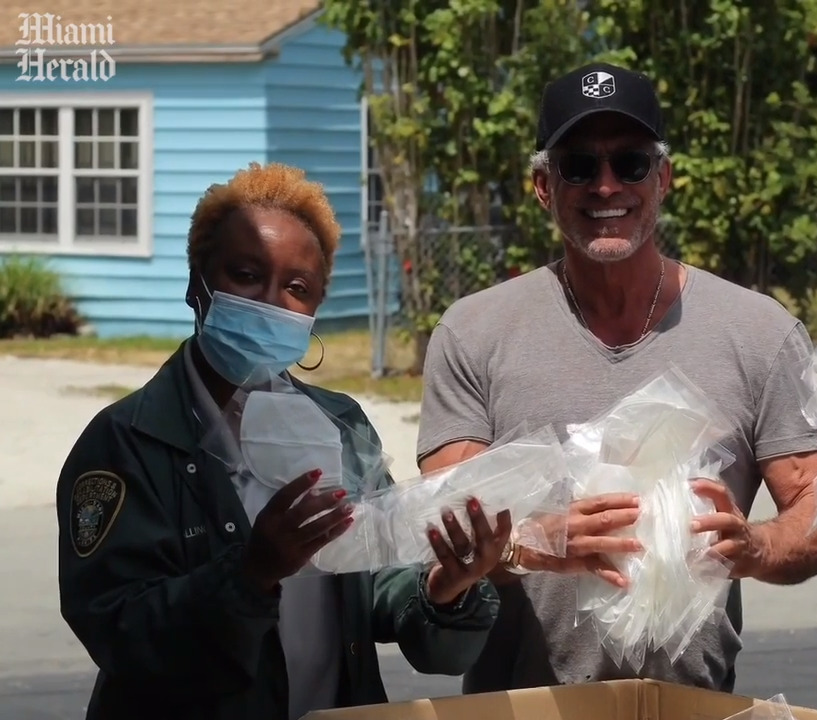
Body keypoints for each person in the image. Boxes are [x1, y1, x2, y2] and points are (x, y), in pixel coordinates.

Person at [415, 62, 817, 693]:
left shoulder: (758, 332)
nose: (606, 186)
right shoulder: (475, 332)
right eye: (579, 166)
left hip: (690, 706)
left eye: (631, 163)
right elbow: (446, 522)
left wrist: (758, 547)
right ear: (542, 185)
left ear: (662, 178)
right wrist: (537, 540)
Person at [56, 162, 508, 720]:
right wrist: (252, 572)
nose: (271, 301)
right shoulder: (126, 444)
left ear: (316, 307)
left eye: (296, 288)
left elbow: (383, 581)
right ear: (197, 284)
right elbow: (119, 631)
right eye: (246, 275)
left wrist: (448, 585)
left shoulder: (338, 427)